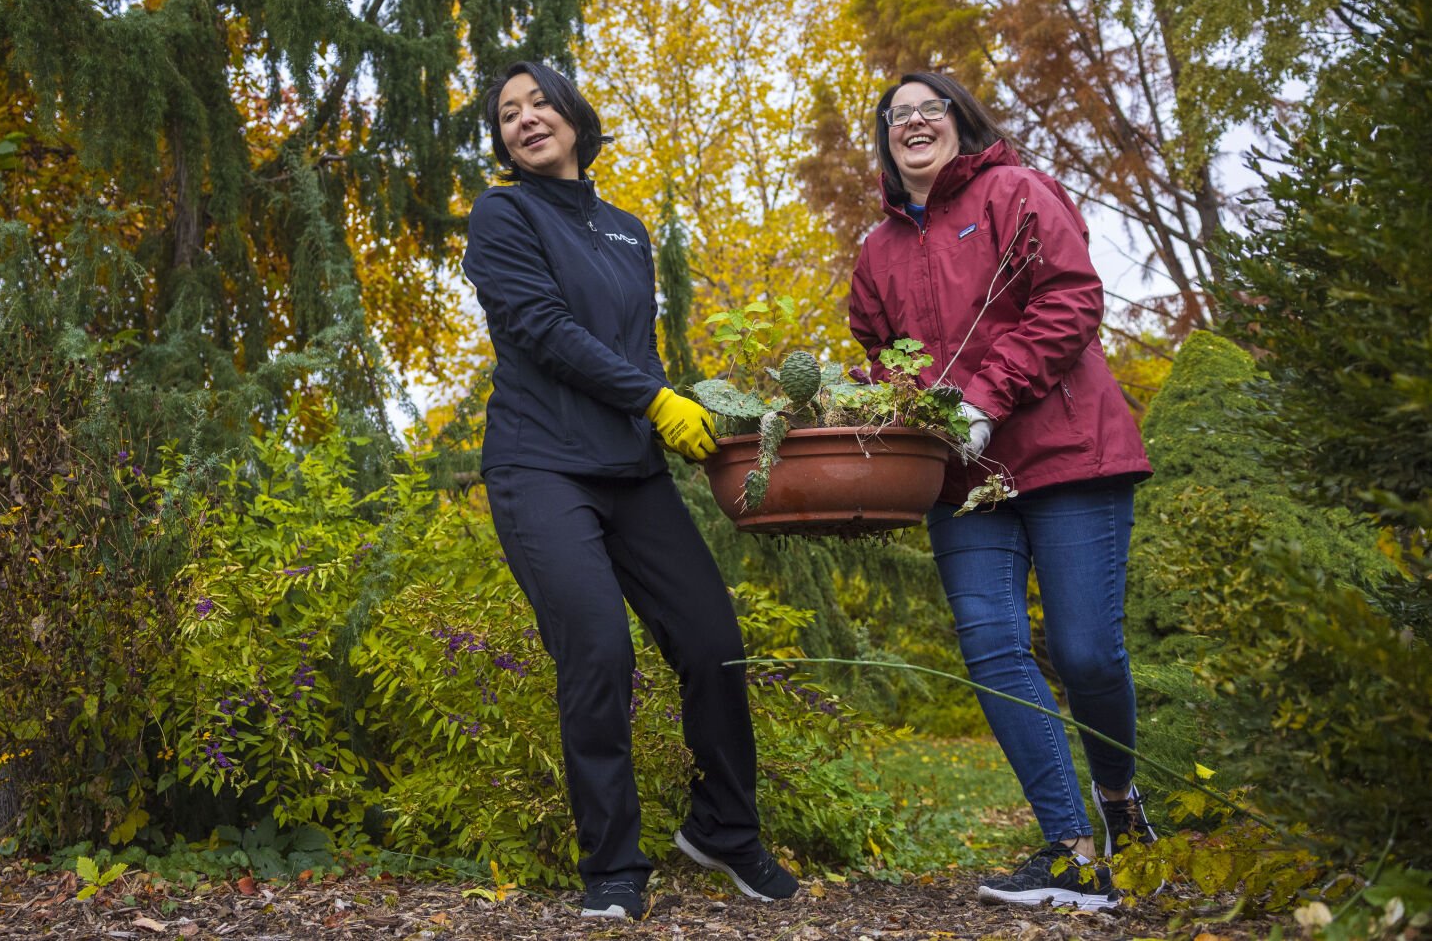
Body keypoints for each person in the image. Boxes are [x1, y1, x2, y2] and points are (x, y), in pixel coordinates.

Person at [461, 60, 799, 920]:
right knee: (598, 654)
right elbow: (540, 328)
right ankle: (611, 865)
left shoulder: (625, 229)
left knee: (712, 641)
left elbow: (635, 352)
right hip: (539, 463)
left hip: (630, 468)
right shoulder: (504, 213)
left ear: (575, 115)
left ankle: (725, 828)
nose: (526, 119)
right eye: (508, 114)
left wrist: (691, 426)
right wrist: (651, 398)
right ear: (501, 139)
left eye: (540, 102)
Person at [846, 72, 1157, 910]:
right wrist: (894, 407)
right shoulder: (876, 249)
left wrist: (983, 398)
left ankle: (1120, 801)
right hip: (957, 475)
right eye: (895, 115)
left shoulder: (1016, 192)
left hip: (1066, 451)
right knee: (991, 652)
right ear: (885, 138)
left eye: (928, 109)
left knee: (1088, 651)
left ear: (958, 121)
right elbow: (877, 352)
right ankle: (1069, 850)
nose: (912, 122)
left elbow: (1070, 299)